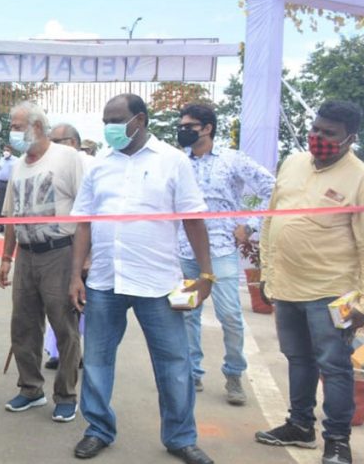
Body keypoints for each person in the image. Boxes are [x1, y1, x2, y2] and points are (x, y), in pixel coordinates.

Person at [68, 94, 214, 464]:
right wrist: (75, 275)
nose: (110, 127)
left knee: (174, 364)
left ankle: (181, 437)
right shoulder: (99, 166)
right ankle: (98, 429)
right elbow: (83, 224)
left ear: (141, 120)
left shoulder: (173, 161)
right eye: (106, 121)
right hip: (105, 280)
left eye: (117, 119)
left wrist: (206, 273)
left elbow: (194, 219)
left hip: (158, 282)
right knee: (97, 361)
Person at [255, 100, 364, 464]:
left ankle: (337, 441)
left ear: (350, 138)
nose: (317, 137)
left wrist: (361, 302)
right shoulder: (293, 162)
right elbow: (271, 219)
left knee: (335, 366)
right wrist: (268, 274)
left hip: (334, 293)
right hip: (287, 286)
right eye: (315, 128)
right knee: (298, 359)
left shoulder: (359, 177)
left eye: (329, 133)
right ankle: (300, 425)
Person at [175, 103, 274, 405]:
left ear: (207, 128)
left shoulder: (233, 160)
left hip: (221, 249)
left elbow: (271, 188)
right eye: (181, 125)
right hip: (183, 249)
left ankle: (234, 374)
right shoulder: (177, 162)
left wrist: (250, 224)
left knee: (230, 315)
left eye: (189, 126)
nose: (183, 130)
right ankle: (191, 372)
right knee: (185, 313)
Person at [0, 101, 85, 423]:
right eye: (12, 126)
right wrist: (6, 258)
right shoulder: (19, 165)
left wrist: (83, 263)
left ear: (37, 127)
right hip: (26, 254)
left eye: (17, 126)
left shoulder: (67, 158)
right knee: (23, 325)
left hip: (59, 252)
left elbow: (87, 212)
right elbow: (11, 217)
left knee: (64, 326)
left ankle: (66, 395)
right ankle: (31, 388)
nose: (13, 132)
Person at [44, 122, 90, 370]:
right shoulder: (51, 163)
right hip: (56, 247)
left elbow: (88, 216)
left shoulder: (86, 164)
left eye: (56, 141)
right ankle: (59, 352)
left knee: (80, 304)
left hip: (80, 246)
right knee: (58, 303)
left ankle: (80, 353)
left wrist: (87, 256)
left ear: (72, 143)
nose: (50, 146)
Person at [0, 146, 18, 232]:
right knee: (0, 205)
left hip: (11, 184)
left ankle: (12, 226)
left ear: (11, 151)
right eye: (4, 150)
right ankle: (0, 226)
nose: (5, 152)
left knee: (11, 205)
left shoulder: (16, 160)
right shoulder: (1, 160)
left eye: (7, 150)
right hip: (2, 183)